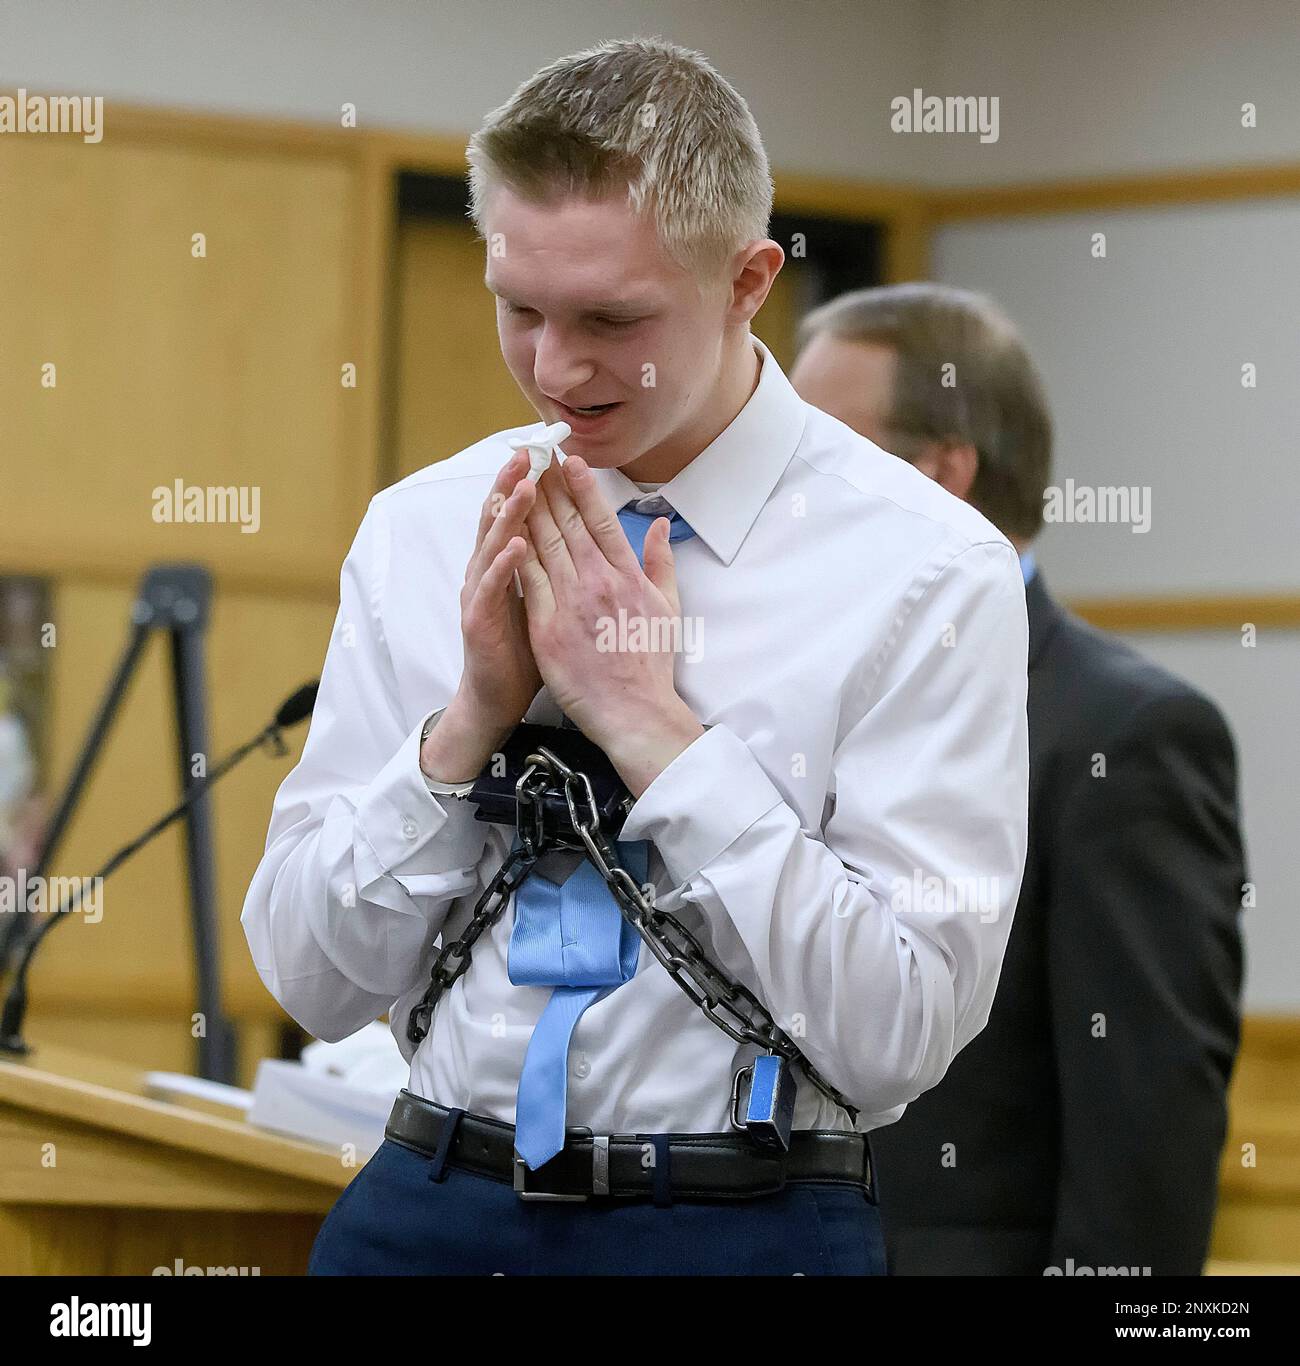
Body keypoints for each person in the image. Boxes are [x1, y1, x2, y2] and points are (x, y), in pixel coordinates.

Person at [240, 41, 1030, 1277]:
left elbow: (899, 1031)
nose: (556, 369)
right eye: (518, 308)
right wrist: (464, 730)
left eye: (613, 319)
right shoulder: (421, 527)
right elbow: (305, 978)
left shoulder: (926, 572)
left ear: (747, 280)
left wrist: (655, 736)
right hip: (425, 1201)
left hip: (741, 1224)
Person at [790, 282, 1246, 1275]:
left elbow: (1145, 1130)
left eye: (816, 448)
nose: (781, 483)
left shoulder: (1123, 731)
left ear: (942, 474)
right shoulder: (788, 694)